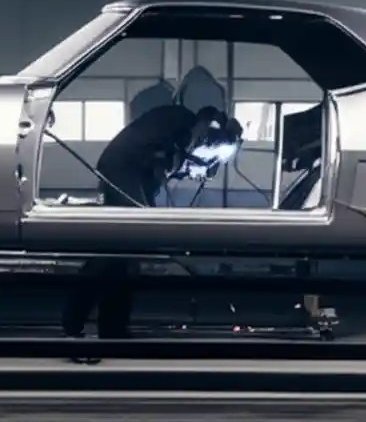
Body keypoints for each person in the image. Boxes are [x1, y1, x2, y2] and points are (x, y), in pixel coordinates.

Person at [62, 103, 242, 343]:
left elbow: (167, 163)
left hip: (131, 171)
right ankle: (92, 321)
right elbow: (159, 162)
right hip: (122, 169)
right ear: (206, 124)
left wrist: (193, 167)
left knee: (119, 251)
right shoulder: (177, 120)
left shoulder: (180, 131)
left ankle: (101, 325)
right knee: (128, 247)